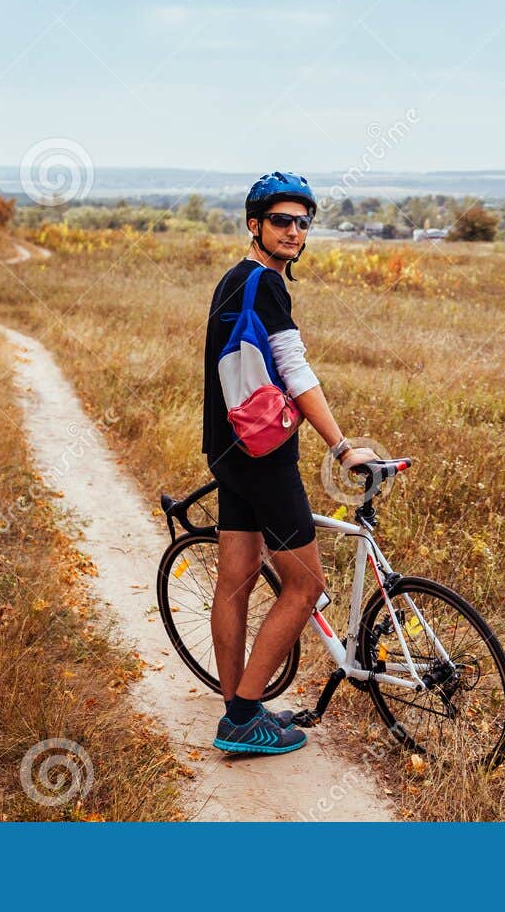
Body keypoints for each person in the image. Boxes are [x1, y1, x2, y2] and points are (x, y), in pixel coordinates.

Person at [201, 171, 377, 755]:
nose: (295, 231)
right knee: (304, 587)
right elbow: (294, 370)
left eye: (304, 222)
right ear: (255, 224)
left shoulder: (232, 280)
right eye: (281, 220)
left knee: (234, 583)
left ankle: (237, 708)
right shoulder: (268, 285)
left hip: (227, 451)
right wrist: (342, 446)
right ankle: (245, 718)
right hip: (265, 457)